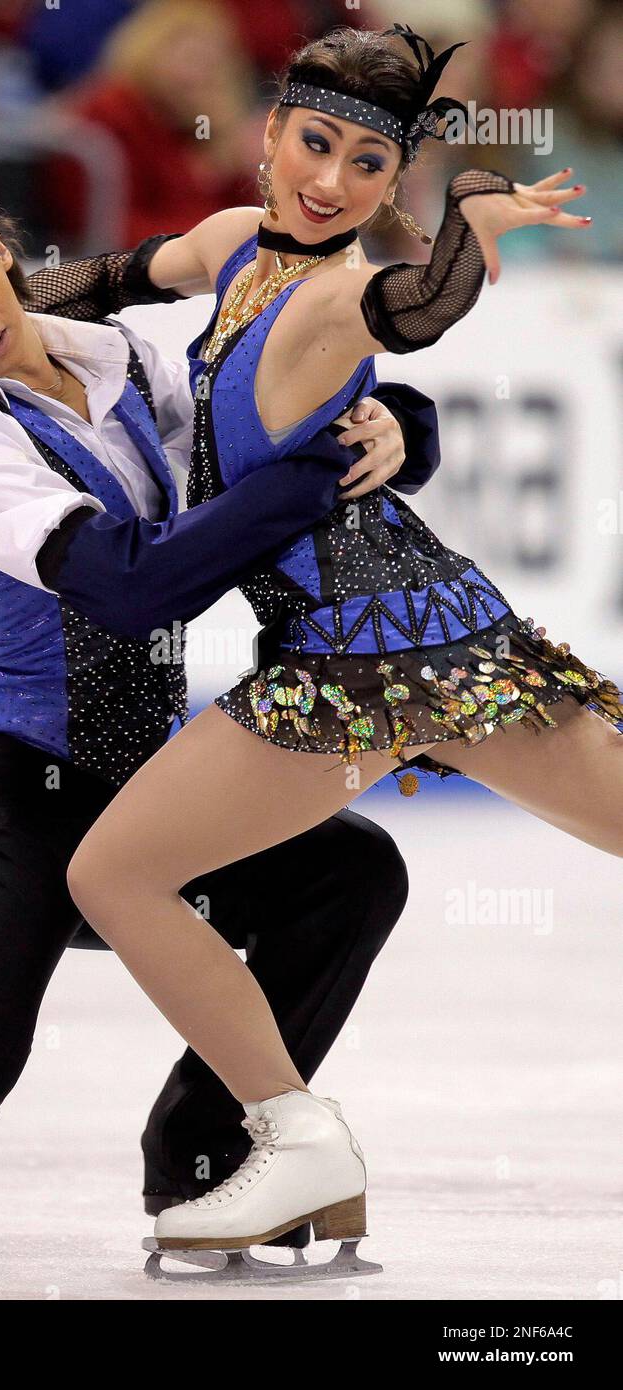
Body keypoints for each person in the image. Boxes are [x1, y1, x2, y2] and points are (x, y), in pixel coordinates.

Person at [52, 24, 623, 1266]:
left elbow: (415, 304)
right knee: (118, 872)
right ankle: (294, 1137)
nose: (331, 181)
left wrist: (471, 215)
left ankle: (297, 1138)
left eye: (370, 166)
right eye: (317, 144)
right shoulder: (229, 252)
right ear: (269, 136)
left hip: (362, 655)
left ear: (390, 184)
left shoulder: (333, 291)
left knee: (114, 875)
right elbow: (106, 278)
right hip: (417, 632)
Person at [0, 173, 435, 1269]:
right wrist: (315, 479)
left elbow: (265, 424)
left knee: (348, 874)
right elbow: (132, 585)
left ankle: (207, 1160)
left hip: (142, 785)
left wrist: (390, 429)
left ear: (3, 248)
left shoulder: (125, 358)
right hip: (18, 792)